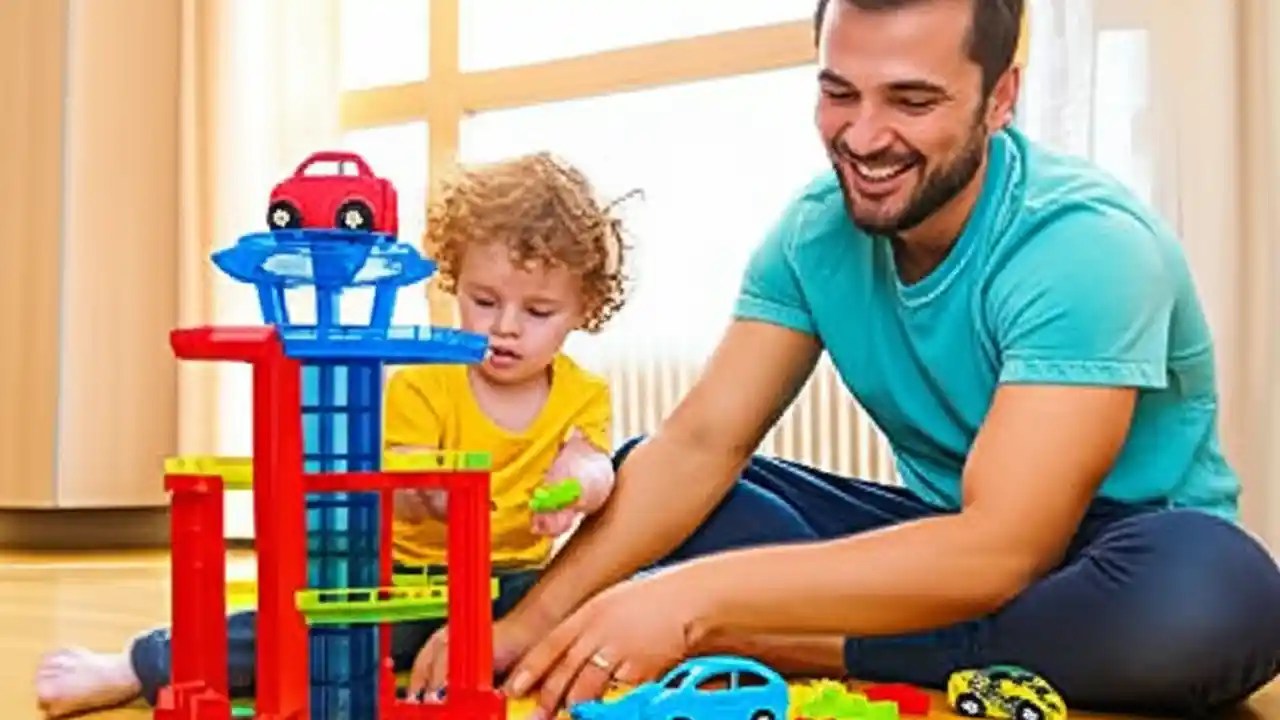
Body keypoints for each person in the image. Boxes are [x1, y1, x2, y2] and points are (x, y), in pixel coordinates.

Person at [405, 1, 1280, 718]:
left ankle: (778, 636)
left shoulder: (1084, 247)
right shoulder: (814, 230)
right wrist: (531, 618)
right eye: (839, 93)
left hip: (1115, 553)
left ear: (1001, 96)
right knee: (651, 478)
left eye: (912, 100)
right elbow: (701, 445)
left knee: (1211, 604)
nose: (863, 138)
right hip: (942, 546)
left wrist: (695, 602)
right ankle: (920, 647)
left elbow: (1004, 548)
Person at [34, 151, 632, 718]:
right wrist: (430, 490)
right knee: (294, 634)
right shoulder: (427, 383)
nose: (504, 327)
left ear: (582, 309)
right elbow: (396, 479)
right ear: (451, 282)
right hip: (400, 578)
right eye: (483, 300)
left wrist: (576, 483)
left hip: (515, 589)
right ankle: (141, 664)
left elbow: (593, 464)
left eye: (537, 312)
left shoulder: (583, 394)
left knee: (591, 614)